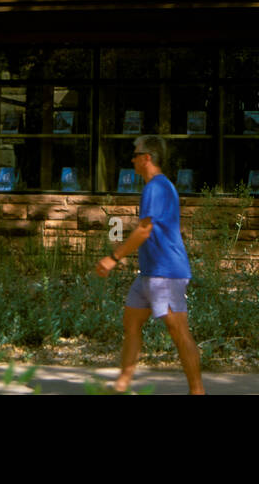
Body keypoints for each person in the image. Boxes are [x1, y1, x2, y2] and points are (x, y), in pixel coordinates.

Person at [94, 134, 205, 394]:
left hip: (165, 274)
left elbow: (144, 230)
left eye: (135, 154)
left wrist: (113, 258)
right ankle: (122, 386)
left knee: (178, 332)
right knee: (131, 324)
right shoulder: (157, 187)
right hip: (149, 274)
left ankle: (198, 391)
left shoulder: (157, 187)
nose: (131, 159)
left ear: (147, 158)